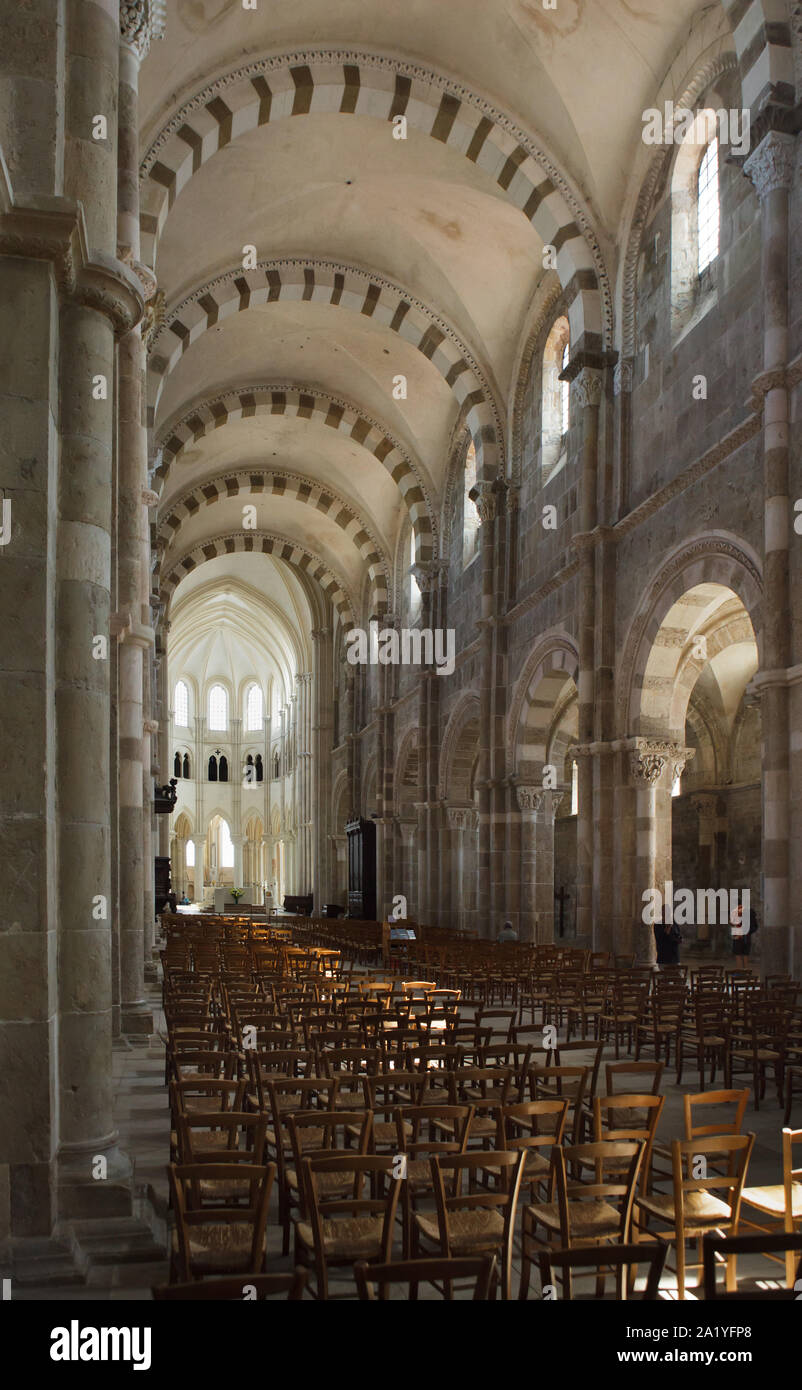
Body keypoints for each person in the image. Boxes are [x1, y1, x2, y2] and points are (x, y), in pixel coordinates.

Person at [730, 900, 754, 970]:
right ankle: (746, 971)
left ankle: (740, 971)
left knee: (738, 955)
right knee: (745, 954)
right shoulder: (749, 912)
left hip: (738, 936)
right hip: (747, 937)